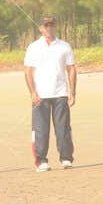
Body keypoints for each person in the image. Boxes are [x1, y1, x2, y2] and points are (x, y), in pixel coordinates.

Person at [24, 15, 76, 172]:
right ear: (40, 28)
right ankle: (41, 160)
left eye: (52, 25)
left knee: (63, 128)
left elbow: (71, 68)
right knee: (40, 129)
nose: (49, 28)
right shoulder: (33, 47)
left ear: (55, 27)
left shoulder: (64, 46)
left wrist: (72, 91)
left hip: (60, 93)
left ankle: (66, 158)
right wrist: (33, 92)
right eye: (46, 26)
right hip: (41, 94)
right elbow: (28, 71)